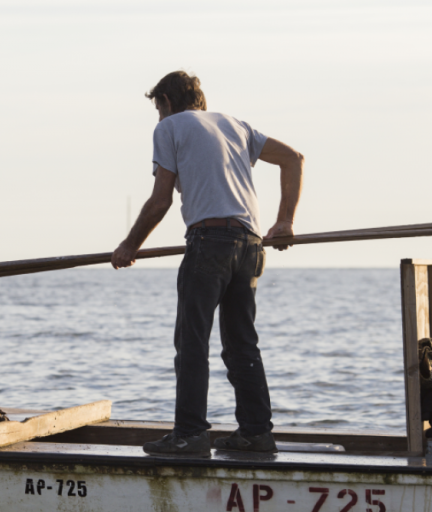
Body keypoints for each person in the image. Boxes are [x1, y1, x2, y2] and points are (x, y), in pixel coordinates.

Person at [111, 71, 304, 457]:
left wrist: (129, 245)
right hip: (250, 245)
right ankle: (255, 433)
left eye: (156, 108)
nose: (157, 116)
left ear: (165, 101)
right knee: (241, 344)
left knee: (192, 341)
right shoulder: (235, 125)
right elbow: (293, 159)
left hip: (209, 242)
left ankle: (190, 434)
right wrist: (284, 222)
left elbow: (160, 200)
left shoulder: (169, 128)